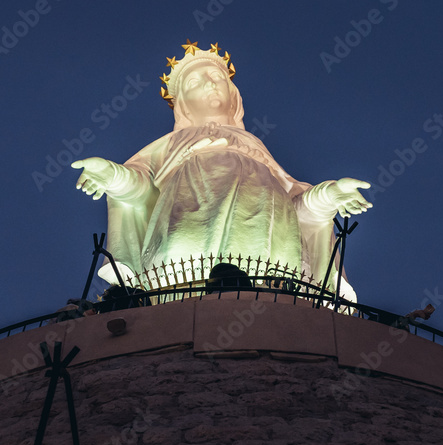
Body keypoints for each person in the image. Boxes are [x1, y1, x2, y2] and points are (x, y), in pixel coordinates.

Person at [72, 41, 372, 301]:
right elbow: (140, 189)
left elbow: (298, 207)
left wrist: (328, 195)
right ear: (183, 106)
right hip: (188, 214)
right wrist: (111, 175)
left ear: (234, 94)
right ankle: (198, 292)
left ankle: (262, 289)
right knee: (184, 274)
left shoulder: (253, 146)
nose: (209, 83)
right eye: (195, 82)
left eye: (216, 76)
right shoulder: (171, 144)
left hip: (264, 220)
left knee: (270, 272)